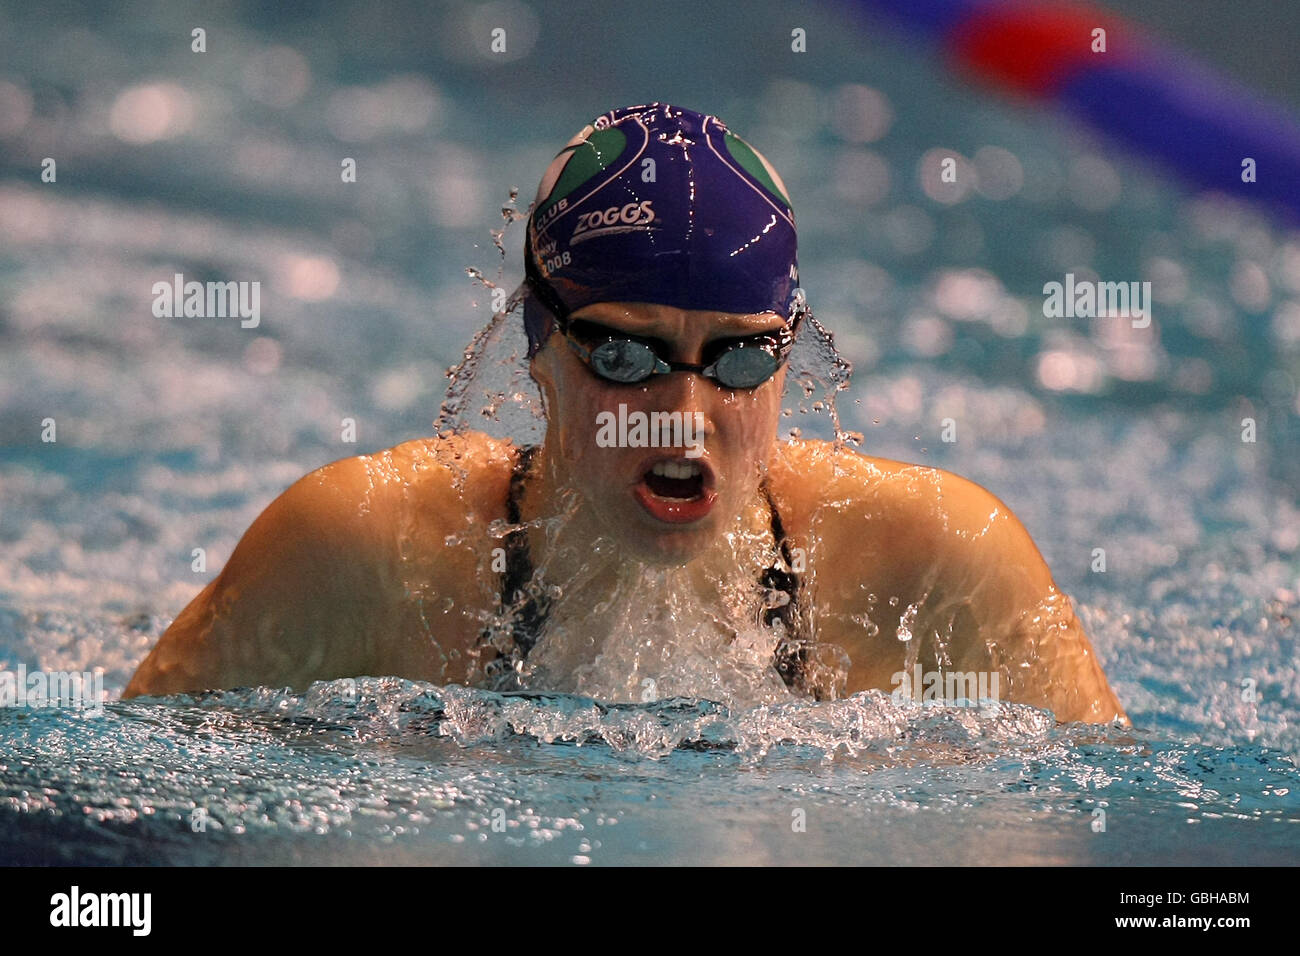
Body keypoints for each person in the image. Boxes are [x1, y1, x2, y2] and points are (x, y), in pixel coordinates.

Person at [124, 102, 1127, 724]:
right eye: (622, 353)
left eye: (738, 356)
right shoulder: (362, 551)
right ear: (539, 352)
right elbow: (120, 814)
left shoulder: (947, 563)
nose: (680, 411)